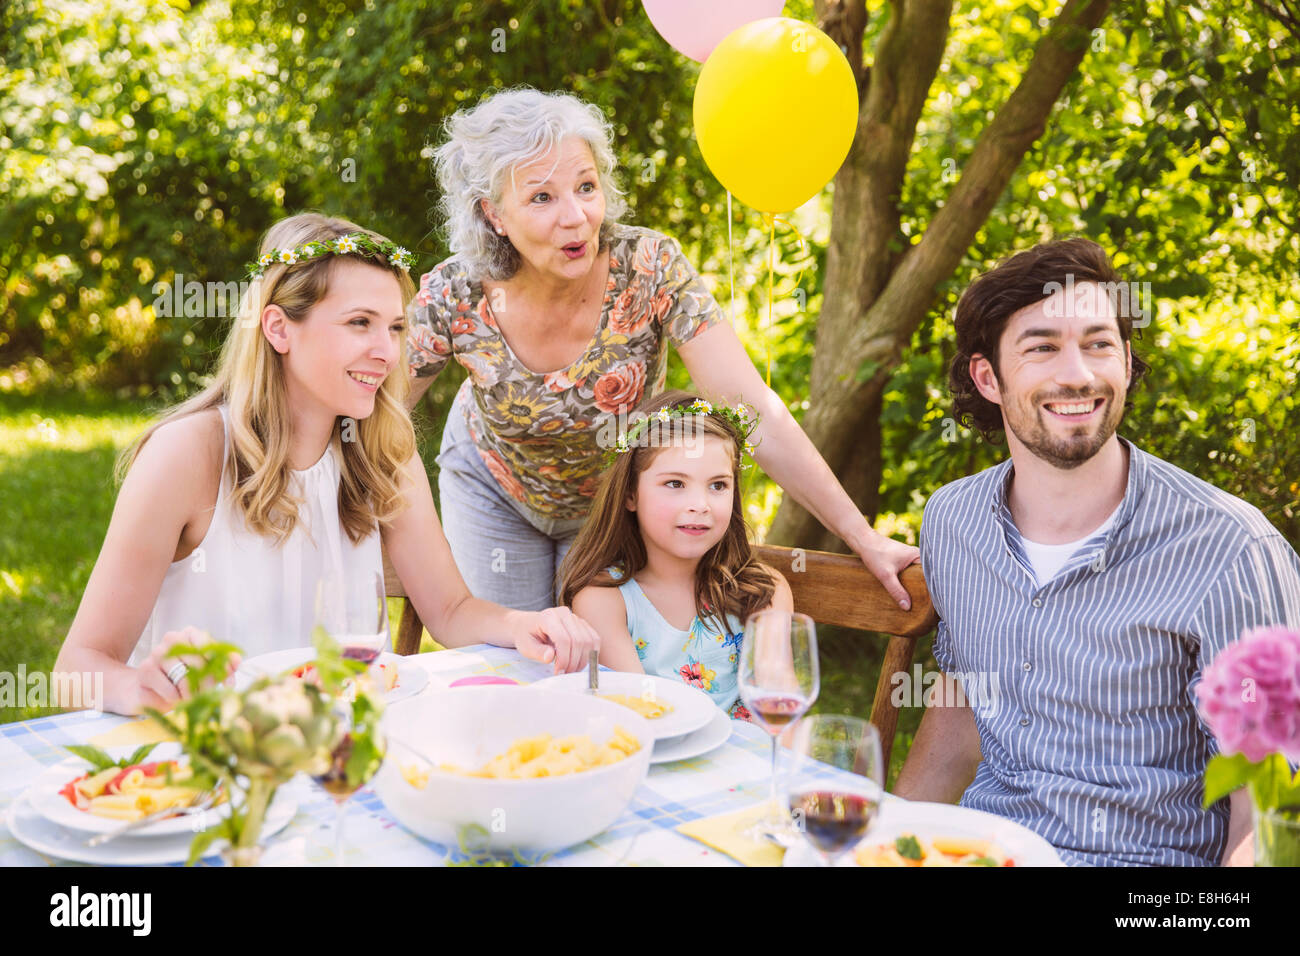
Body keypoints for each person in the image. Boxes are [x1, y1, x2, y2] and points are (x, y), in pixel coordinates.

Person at [54, 213, 598, 717]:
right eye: (359, 323)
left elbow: (451, 611)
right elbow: (75, 669)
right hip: (217, 760)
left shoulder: (384, 449)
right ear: (278, 329)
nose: (387, 351)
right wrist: (142, 688)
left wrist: (527, 624)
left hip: (343, 757)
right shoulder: (187, 456)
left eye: (395, 328)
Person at [407, 87, 917, 613]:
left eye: (586, 186)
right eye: (542, 197)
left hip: (612, 502)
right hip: (495, 490)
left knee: (603, 674)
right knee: (515, 663)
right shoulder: (455, 292)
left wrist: (863, 536)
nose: (576, 216)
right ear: (493, 214)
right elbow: (374, 411)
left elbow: (753, 407)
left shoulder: (649, 266)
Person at [893, 238, 1300, 866]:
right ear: (987, 377)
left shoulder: (1232, 549)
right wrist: (889, 847)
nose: (1077, 373)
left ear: (1127, 361)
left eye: (1099, 343)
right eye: (1042, 347)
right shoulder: (954, 521)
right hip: (982, 853)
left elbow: (1270, 806)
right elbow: (960, 713)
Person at [558, 391, 792, 716]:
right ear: (630, 495)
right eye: (675, 484)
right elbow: (638, 718)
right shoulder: (604, 600)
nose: (701, 504)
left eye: (718, 485)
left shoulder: (764, 591)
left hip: (752, 762)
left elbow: (780, 715)